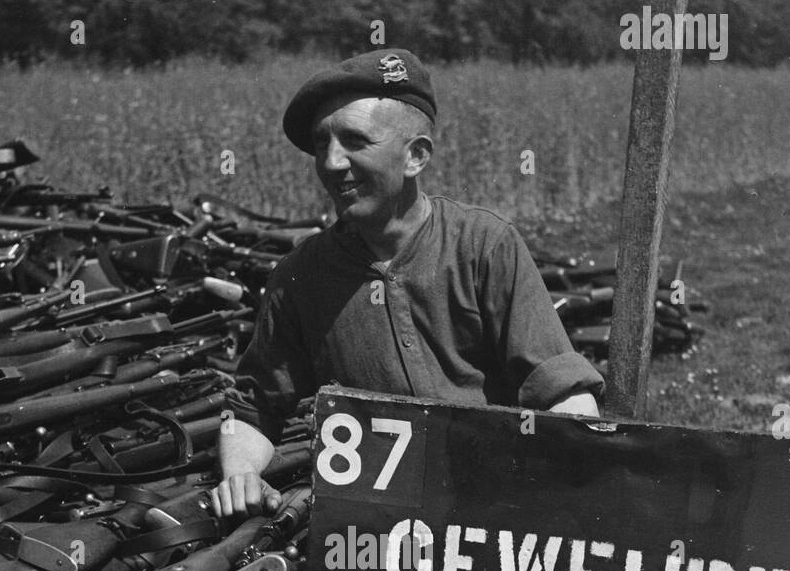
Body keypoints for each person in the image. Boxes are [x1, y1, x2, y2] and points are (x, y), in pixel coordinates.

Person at [212, 47, 604, 518]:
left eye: (355, 141)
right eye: (321, 143)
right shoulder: (300, 275)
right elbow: (254, 407)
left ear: (416, 156)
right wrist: (241, 475)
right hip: (370, 522)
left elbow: (558, 386)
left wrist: (583, 490)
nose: (332, 163)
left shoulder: (483, 245)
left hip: (489, 510)